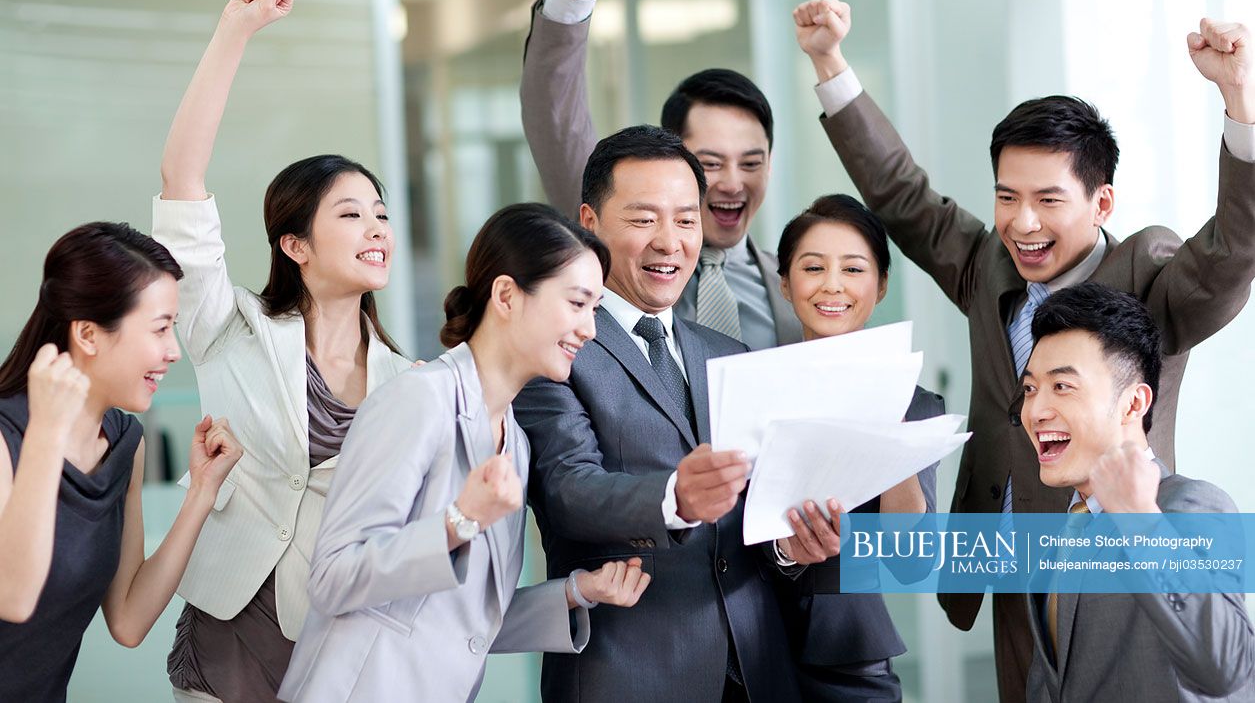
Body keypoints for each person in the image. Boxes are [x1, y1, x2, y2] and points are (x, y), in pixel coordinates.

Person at [792, 0, 1255, 701]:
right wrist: (828, 61)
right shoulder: (988, 265)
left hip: (1115, 549)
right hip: (1006, 557)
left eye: (1047, 200)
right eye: (1006, 197)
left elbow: (1229, 253)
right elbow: (900, 194)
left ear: (1101, 204)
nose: (1022, 222)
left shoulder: (1147, 274)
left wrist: (1238, 101)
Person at [153, 0, 416, 702]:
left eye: (381, 214)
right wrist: (233, 33)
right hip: (231, 636)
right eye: (350, 214)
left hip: (348, 644)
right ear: (294, 244)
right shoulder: (229, 327)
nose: (375, 229)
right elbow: (182, 177)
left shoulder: (412, 381)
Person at [278, 202, 650, 702]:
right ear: (506, 295)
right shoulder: (418, 400)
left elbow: (466, 624)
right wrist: (458, 521)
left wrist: (578, 591)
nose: (590, 329)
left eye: (595, 309)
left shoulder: (513, 440)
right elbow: (331, 580)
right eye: (577, 304)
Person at [514, 125, 811, 703]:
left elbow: (755, 510)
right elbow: (568, 490)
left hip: (756, 669)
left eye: (685, 219)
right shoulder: (556, 349)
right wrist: (674, 497)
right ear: (590, 223)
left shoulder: (729, 354)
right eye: (644, 219)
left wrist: (789, 545)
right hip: (629, 672)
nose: (669, 242)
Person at [520, 0, 802, 350]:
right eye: (710, 163)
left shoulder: (797, 282)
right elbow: (556, 120)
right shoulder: (610, 254)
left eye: (751, 163)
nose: (731, 182)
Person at [0, 222, 242, 703]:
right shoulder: (7, 437)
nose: (173, 351)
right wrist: (49, 430)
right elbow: (13, 595)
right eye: (160, 328)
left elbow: (128, 620)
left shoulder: (125, 442)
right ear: (88, 334)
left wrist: (201, 494)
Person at [1018, 282, 1255, 701]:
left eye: (1062, 387)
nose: (1035, 411)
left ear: (1133, 405)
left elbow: (1227, 668)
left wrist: (1141, 521)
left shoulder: (1191, 506)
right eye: (1030, 389)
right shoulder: (1063, 532)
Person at [772, 194, 945, 700]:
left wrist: (887, 424)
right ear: (785, 283)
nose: (833, 285)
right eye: (813, 267)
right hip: (736, 638)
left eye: (853, 268)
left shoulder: (915, 405)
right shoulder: (750, 386)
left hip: (846, 647)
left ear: (880, 284)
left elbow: (910, 560)